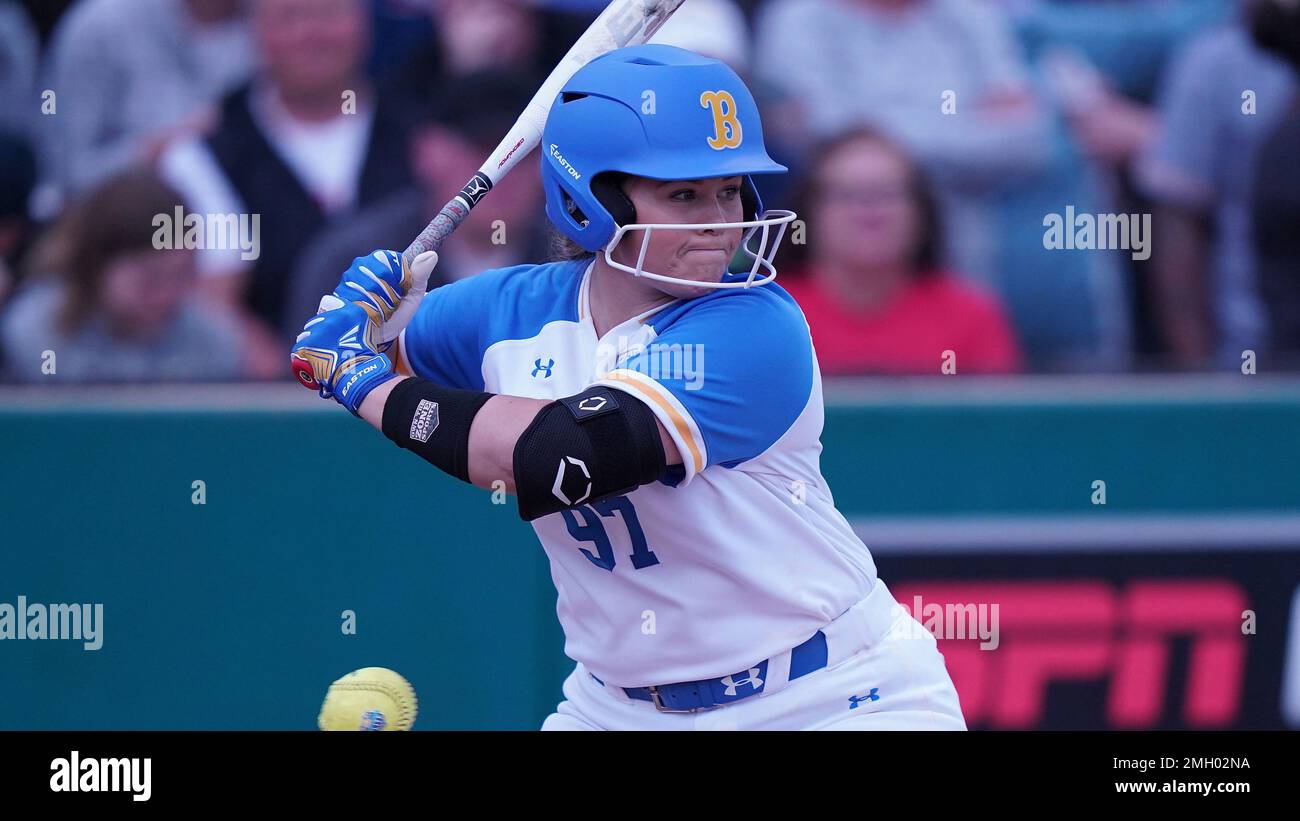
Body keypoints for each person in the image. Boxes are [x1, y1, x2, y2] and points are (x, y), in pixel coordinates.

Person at [289, 45, 966, 730]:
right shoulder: (507, 311)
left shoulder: (756, 327)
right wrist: (360, 318)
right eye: (683, 194)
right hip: (617, 708)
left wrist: (362, 380)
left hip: (832, 695)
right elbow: (344, 347)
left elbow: (557, 457)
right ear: (592, 200)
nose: (716, 220)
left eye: (729, 190)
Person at [779, 127, 1021, 375]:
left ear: (920, 211)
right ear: (810, 211)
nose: (868, 209)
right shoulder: (772, 313)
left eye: (887, 194)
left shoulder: (973, 318)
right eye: (847, 194)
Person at [0, 169, 245, 383]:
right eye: (150, 279)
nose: (166, 295)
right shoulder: (34, 333)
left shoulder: (214, 343)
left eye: (181, 275)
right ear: (95, 265)